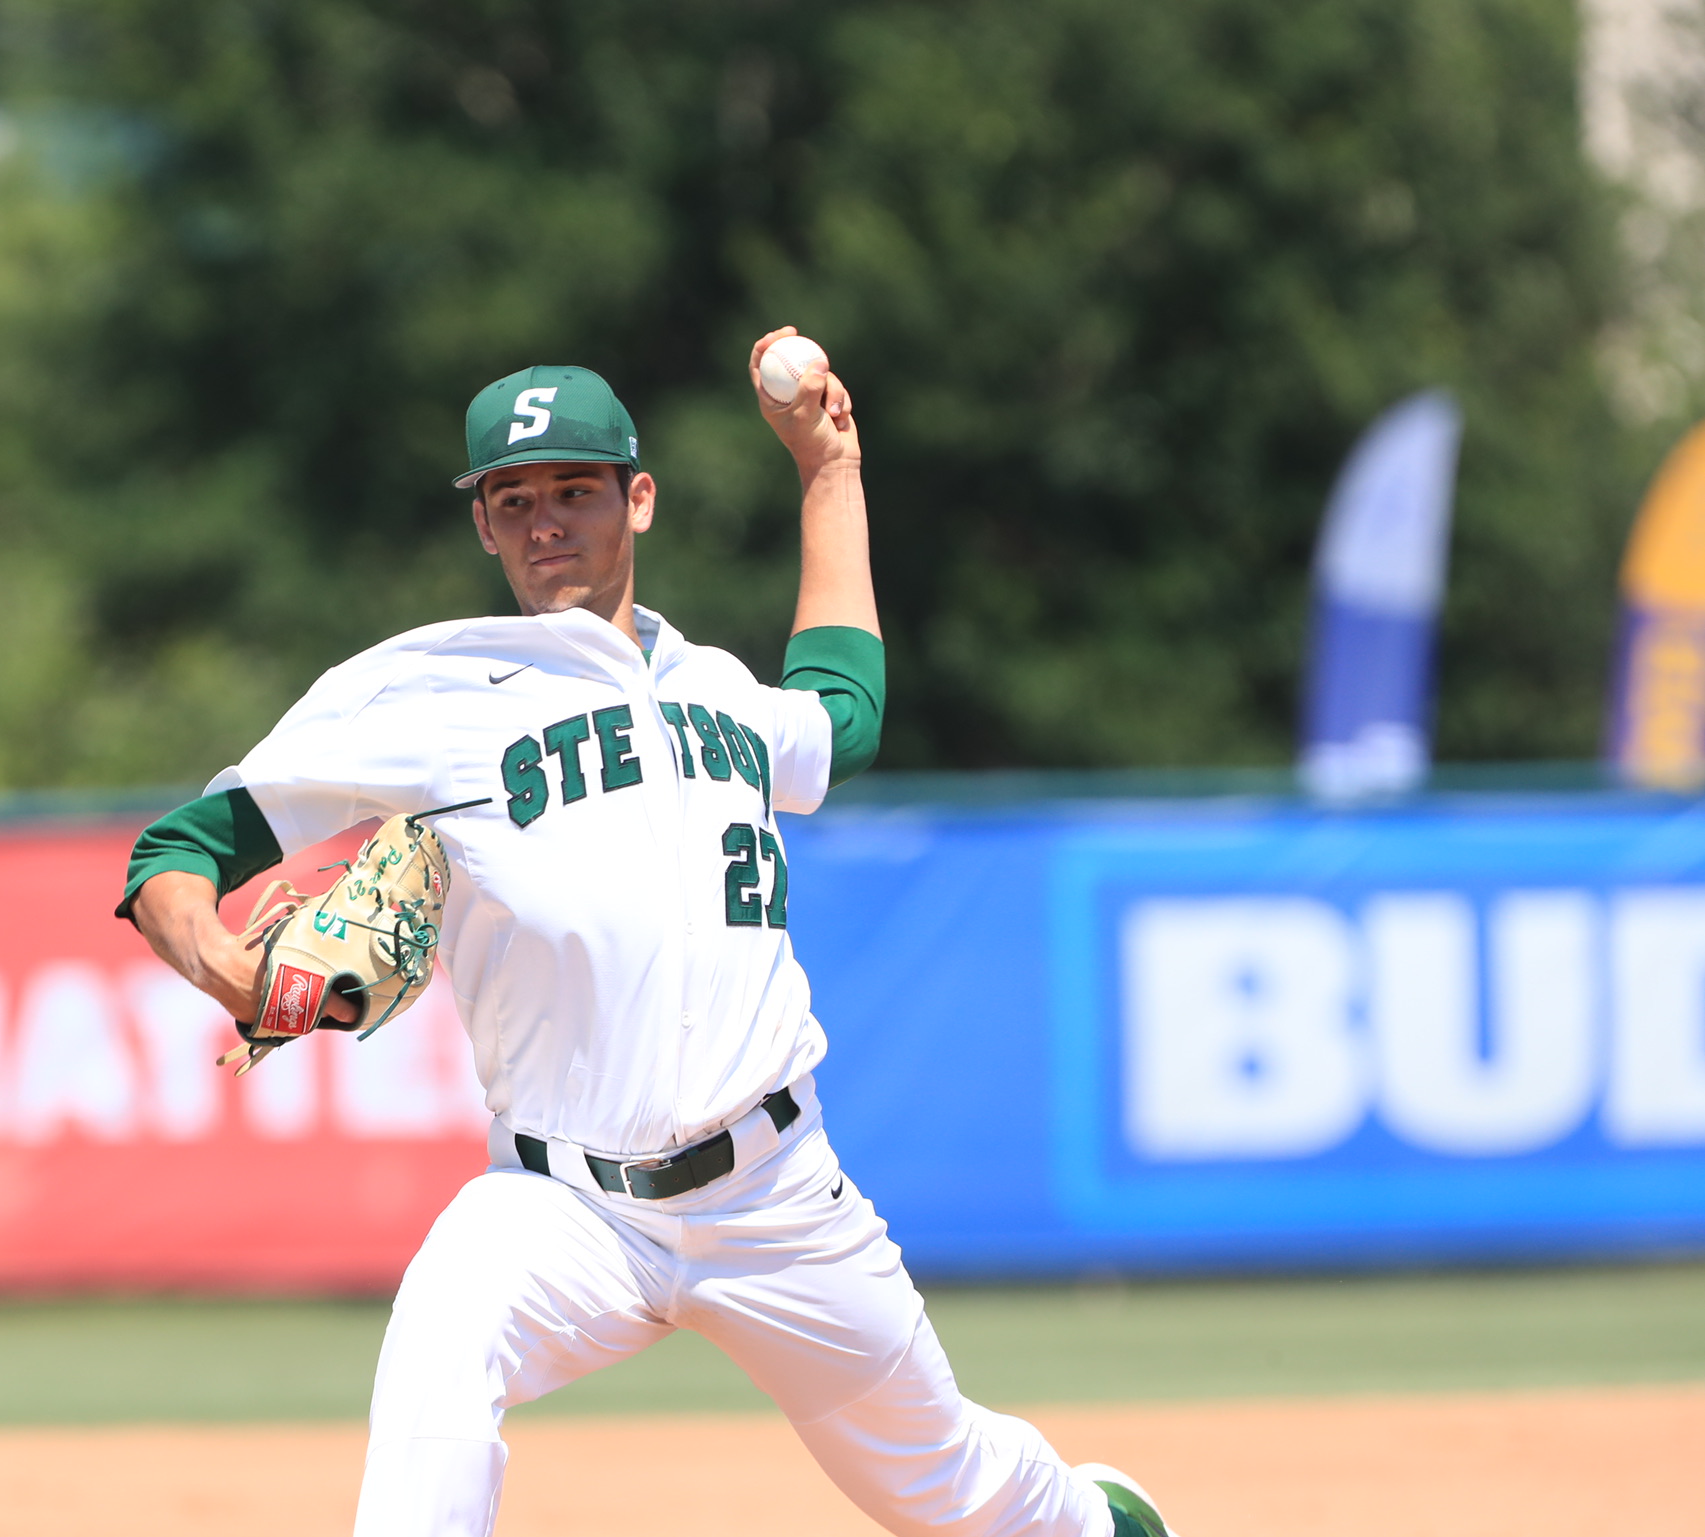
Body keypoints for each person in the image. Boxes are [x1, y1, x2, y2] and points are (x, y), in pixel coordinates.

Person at [118, 333, 1178, 1537]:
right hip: (563, 1202)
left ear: (640, 499)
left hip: (775, 1194)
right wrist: (226, 963)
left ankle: (1101, 1523)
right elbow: (181, 850)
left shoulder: (718, 688)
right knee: (438, 1348)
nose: (542, 521)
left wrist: (829, 473)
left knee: (953, 1492)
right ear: (481, 527)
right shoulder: (425, 692)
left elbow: (845, 716)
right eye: (510, 500)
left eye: (573, 489)